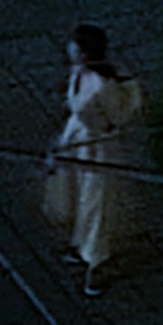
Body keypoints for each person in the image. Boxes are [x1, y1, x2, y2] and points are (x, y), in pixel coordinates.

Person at [47, 23, 140, 292]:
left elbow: (117, 117)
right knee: (77, 194)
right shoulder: (79, 72)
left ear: (86, 54)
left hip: (97, 147)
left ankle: (96, 262)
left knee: (96, 201)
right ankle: (80, 245)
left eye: (75, 48)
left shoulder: (102, 85)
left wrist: (100, 129)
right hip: (77, 137)